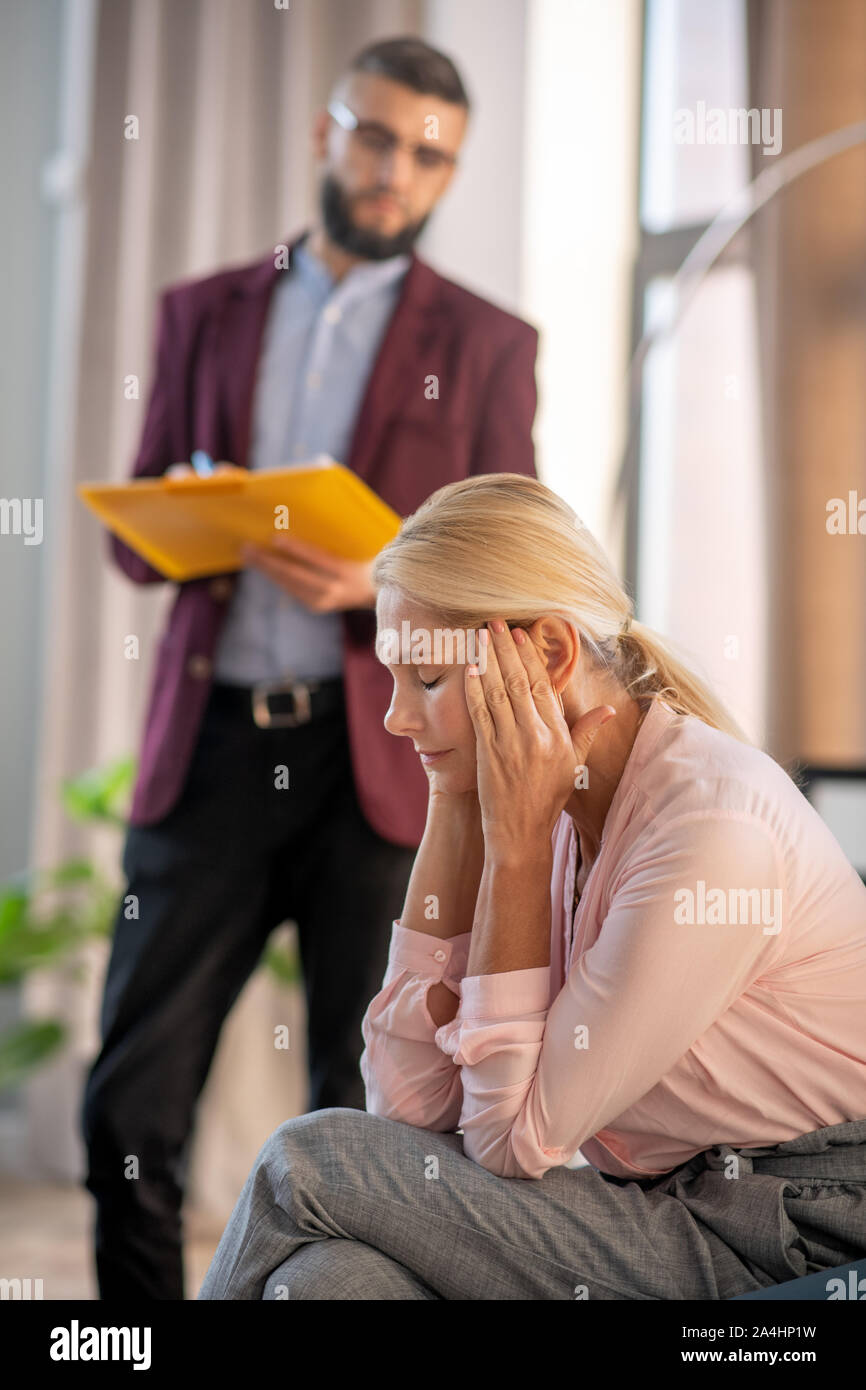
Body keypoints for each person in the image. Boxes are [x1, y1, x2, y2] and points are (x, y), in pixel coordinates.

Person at [81, 38, 539, 1301]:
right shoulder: (204, 310)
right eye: (378, 137)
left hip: (383, 765)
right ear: (326, 134)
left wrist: (386, 580)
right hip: (216, 747)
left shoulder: (490, 343)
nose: (397, 171)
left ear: (450, 172)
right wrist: (190, 514)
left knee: (358, 1110)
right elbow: (135, 543)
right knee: (130, 1103)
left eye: (428, 155)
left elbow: (511, 568)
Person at [197, 473, 866, 1301]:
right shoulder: (545, 797)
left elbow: (514, 1141)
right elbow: (409, 1107)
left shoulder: (709, 833)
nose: (394, 718)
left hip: (789, 1229)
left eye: (430, 681)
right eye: (394, 679)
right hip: (661, 1206)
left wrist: (510, 850)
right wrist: (455, 803)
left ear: (547, 654)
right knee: (334, 1279)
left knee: (308, 1159)